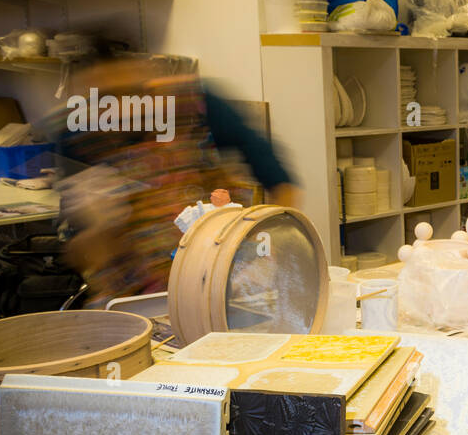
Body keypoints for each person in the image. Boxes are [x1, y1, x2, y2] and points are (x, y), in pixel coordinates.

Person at [40, 48, 300, 305]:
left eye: (131, 93)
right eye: (106, 99)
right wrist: (99, 226)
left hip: (219, 284)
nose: (121, 111)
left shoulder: (197, 106)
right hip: (137, 301)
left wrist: (263, 246)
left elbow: (280, 181)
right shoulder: (78, 136)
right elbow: (79, 255)